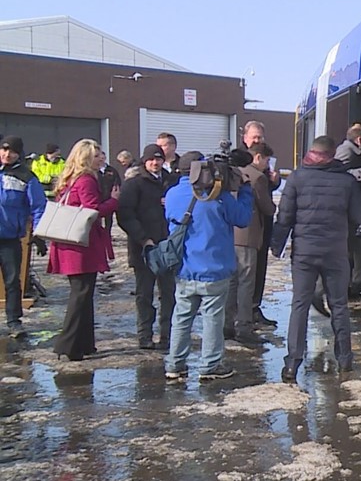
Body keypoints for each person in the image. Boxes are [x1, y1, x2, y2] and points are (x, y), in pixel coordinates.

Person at [271, 135, 361, 382]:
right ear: (333, 155)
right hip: (336, 252)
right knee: (339, 305)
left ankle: (292, 364)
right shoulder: (347, 181)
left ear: (311, 152)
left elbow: (284, 216)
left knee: (299, 306)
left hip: (304, 253)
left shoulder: (297, 178)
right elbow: (358, 216)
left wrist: (277, 246)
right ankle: (345, 360)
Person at [163, 151, 254, 382]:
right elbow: (243, 218)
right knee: (212, 318)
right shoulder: (217, 196)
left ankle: (175, 364)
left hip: (184, 267)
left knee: (182, 317)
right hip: (215, 268)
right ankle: (210, 365)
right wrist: (245, 190)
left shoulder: (172, 194)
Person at [47, 139, 119, 361]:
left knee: (83, 293)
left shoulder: (70, 178)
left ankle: (85, 343)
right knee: (81, 294)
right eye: (96, 155)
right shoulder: (86, 179)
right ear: (86, 158)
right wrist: (113, 201)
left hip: (69, 243)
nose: (101, 159)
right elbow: (92, 211)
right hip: (81, 245)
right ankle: (67, 345)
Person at [116, 144, 176, 350]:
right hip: (143, 247)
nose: (155, 163)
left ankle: (167, 335)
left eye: (158, 159)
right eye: (151, 159)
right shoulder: (134, 184)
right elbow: (125, 215)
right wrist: (143, 239)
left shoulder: (170, 181)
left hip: (167, 246)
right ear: (144, 161)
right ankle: (145, 335)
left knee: (168, 293)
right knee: (144, 294)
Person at [225, 142, 276, 346]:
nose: (267, 164)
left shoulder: (231, 173)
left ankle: (227, 324)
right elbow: (267, 207)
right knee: (246, 283)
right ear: (258, 157)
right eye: (266, 160)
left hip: (230, 235)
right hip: (248, 236)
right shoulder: (257, 177)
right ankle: (244, 326)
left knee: (232, 282)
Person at [0, 136, 47, 339]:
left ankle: (14, 321)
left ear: (19, 154)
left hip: (10, 238)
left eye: (12, 151)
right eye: (3, 150)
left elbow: (38, 207)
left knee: (12, 281)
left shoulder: (26, 177)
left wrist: (39, 233)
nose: (7, 154)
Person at [242, 120, 279, 329]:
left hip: (263, 225)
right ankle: (246, 312)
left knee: (260, 267)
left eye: (260, 137)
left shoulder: (265, 157)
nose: (257, 140)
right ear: (245, 138)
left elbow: (268, 187)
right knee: (246, 272)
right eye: (254, 137)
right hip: (247, 225)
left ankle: (255, 307)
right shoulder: (240, 159)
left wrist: (275, 181)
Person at [334, 123, 361, 295]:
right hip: (346, 209)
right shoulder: (346, 151)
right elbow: (338, 173)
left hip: (349, 208)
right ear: (359, 140)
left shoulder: (350, 150)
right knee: (349, 250)